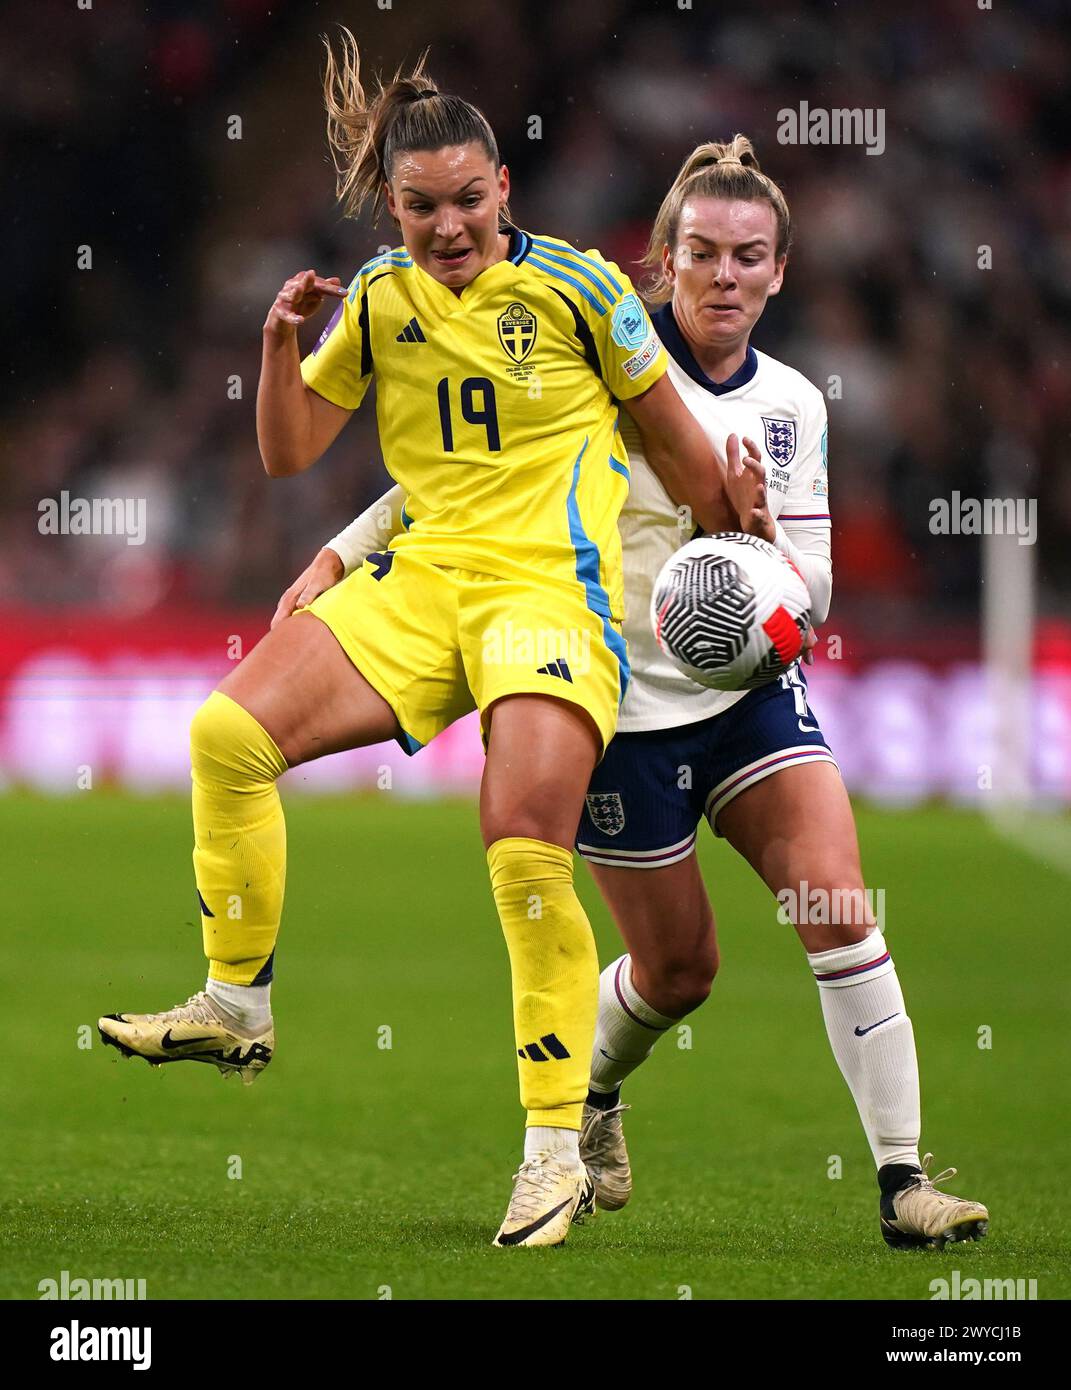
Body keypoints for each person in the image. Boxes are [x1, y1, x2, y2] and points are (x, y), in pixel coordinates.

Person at [97, 33, 736, 1250]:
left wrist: (742, 536)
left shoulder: (585, 289)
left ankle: (553, 1146)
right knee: (226, 733)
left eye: (466, 201)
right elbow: (289, 450)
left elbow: (675, 445)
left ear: (506, 190)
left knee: (520, 849)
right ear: (390, 207)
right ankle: (237, 999)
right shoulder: (382, 300)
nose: (447, 228)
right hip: (425, 579)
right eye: (421, 206)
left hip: (552, 593)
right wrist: (280, 346)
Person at [302, 136, 988, 1251]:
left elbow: (812, 588)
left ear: (781, 272)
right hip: (611, 704)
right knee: (681, 970)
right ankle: (596, 1092)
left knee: (838, 905)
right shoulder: (597, 355)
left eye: (749, 256)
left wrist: (767, 563)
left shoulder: (795, 407)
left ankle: (904, 1181)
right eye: (704, 252)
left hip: (748, 699)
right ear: (662, 263)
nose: (726, 275)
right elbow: (453, 480)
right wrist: (338, 553)